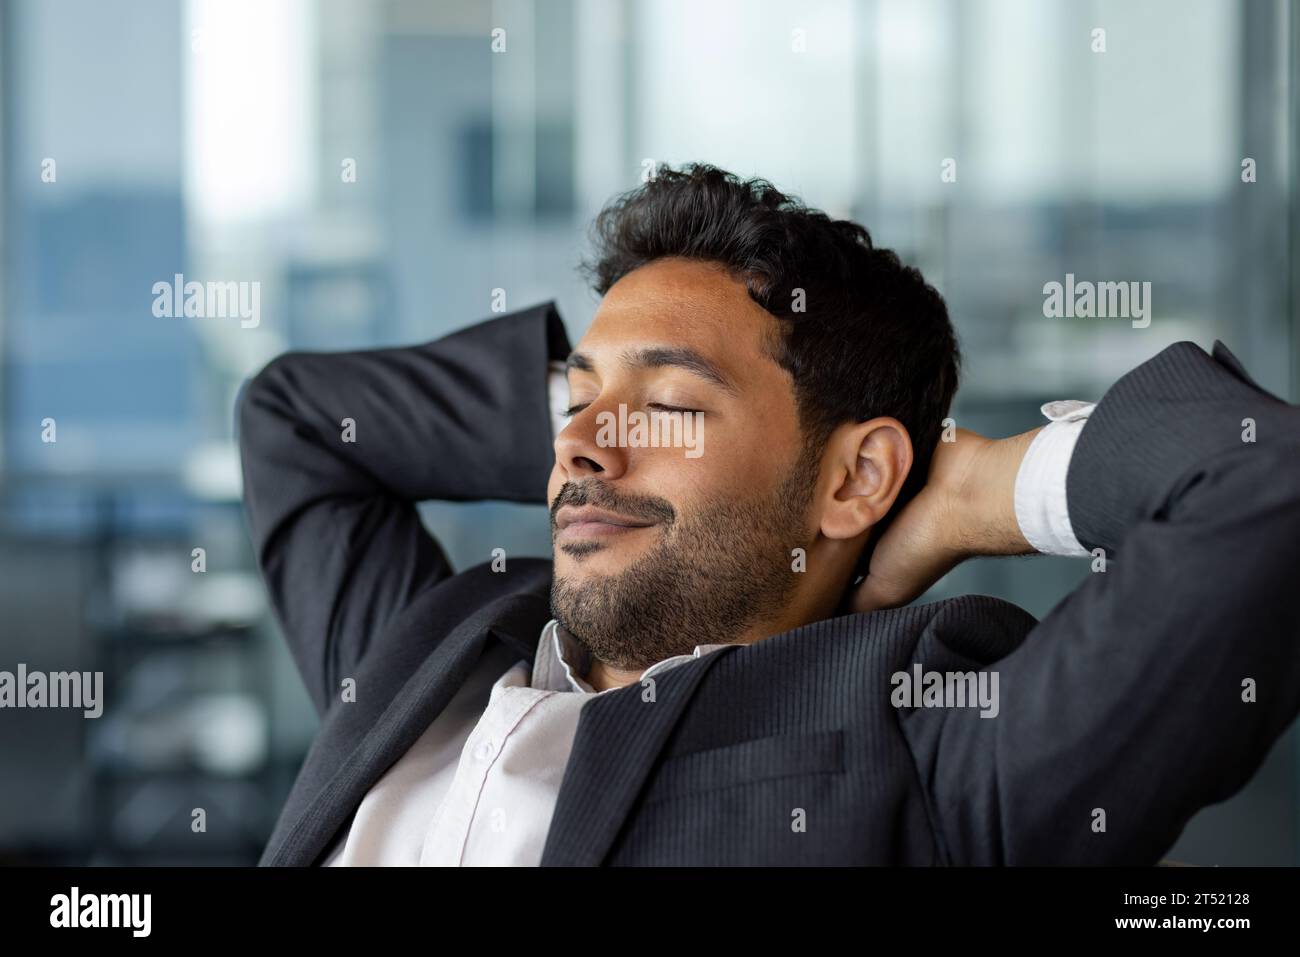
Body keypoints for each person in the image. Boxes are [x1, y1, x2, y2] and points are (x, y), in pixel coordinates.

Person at [239, 164, 1300, 866]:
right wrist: (609, 442)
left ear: (855, 480)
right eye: (575, 400)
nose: (574, 443)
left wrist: (983, 488)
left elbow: (1271, 482)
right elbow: (297, 422)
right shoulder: (438, 643)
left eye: (668, 404)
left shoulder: (935, 743)